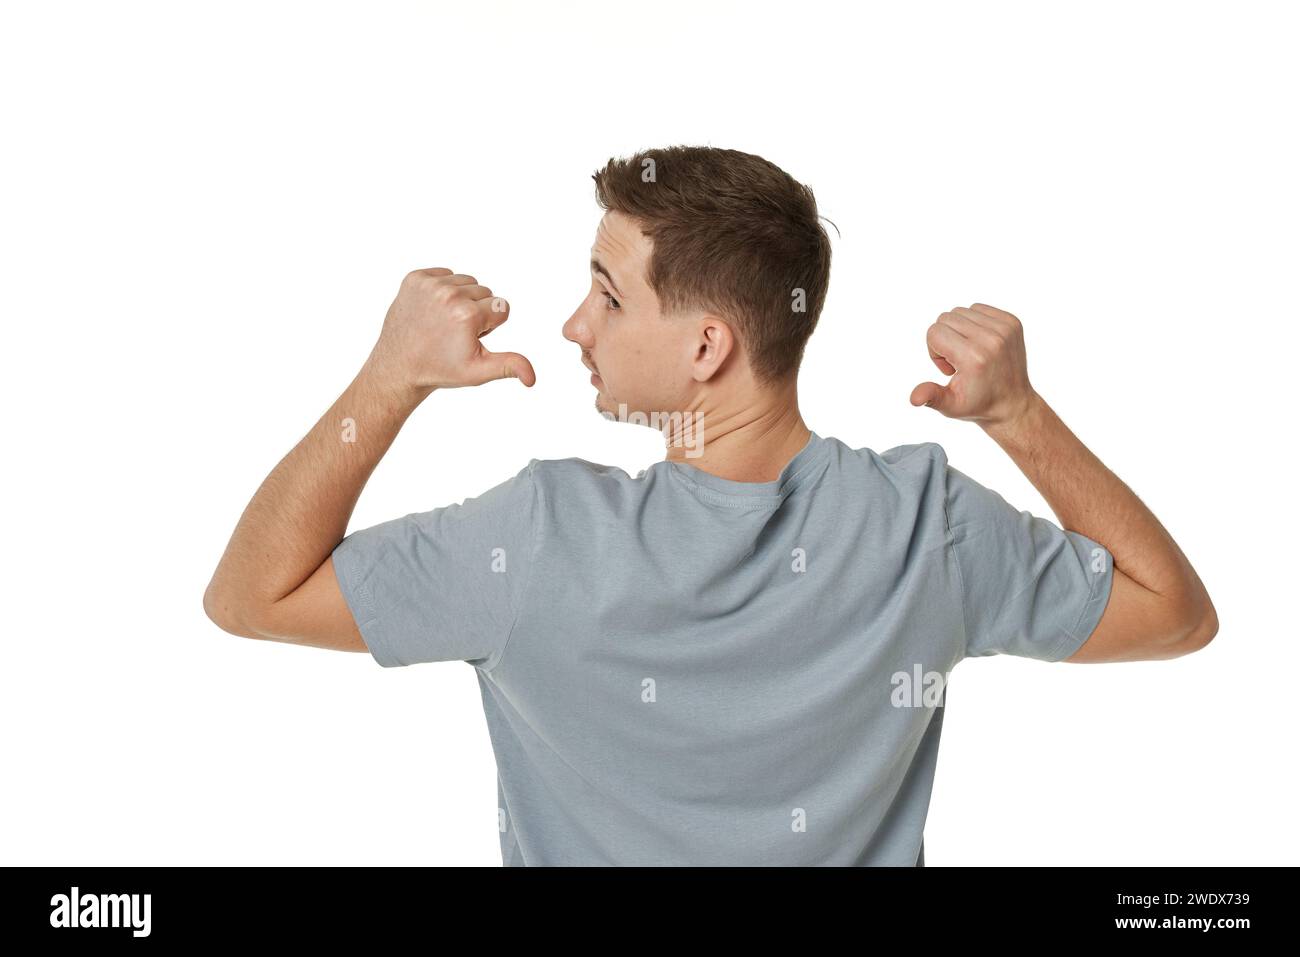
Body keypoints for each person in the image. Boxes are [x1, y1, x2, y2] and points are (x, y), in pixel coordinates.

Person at [203, 145, 1218, 866]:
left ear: (705, 349)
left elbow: (251, 596)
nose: (572, 326)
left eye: (606, 295)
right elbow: (1172, 612)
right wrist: (1017, 414)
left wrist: (391, 377)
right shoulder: (928, 527)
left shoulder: (532, 539)